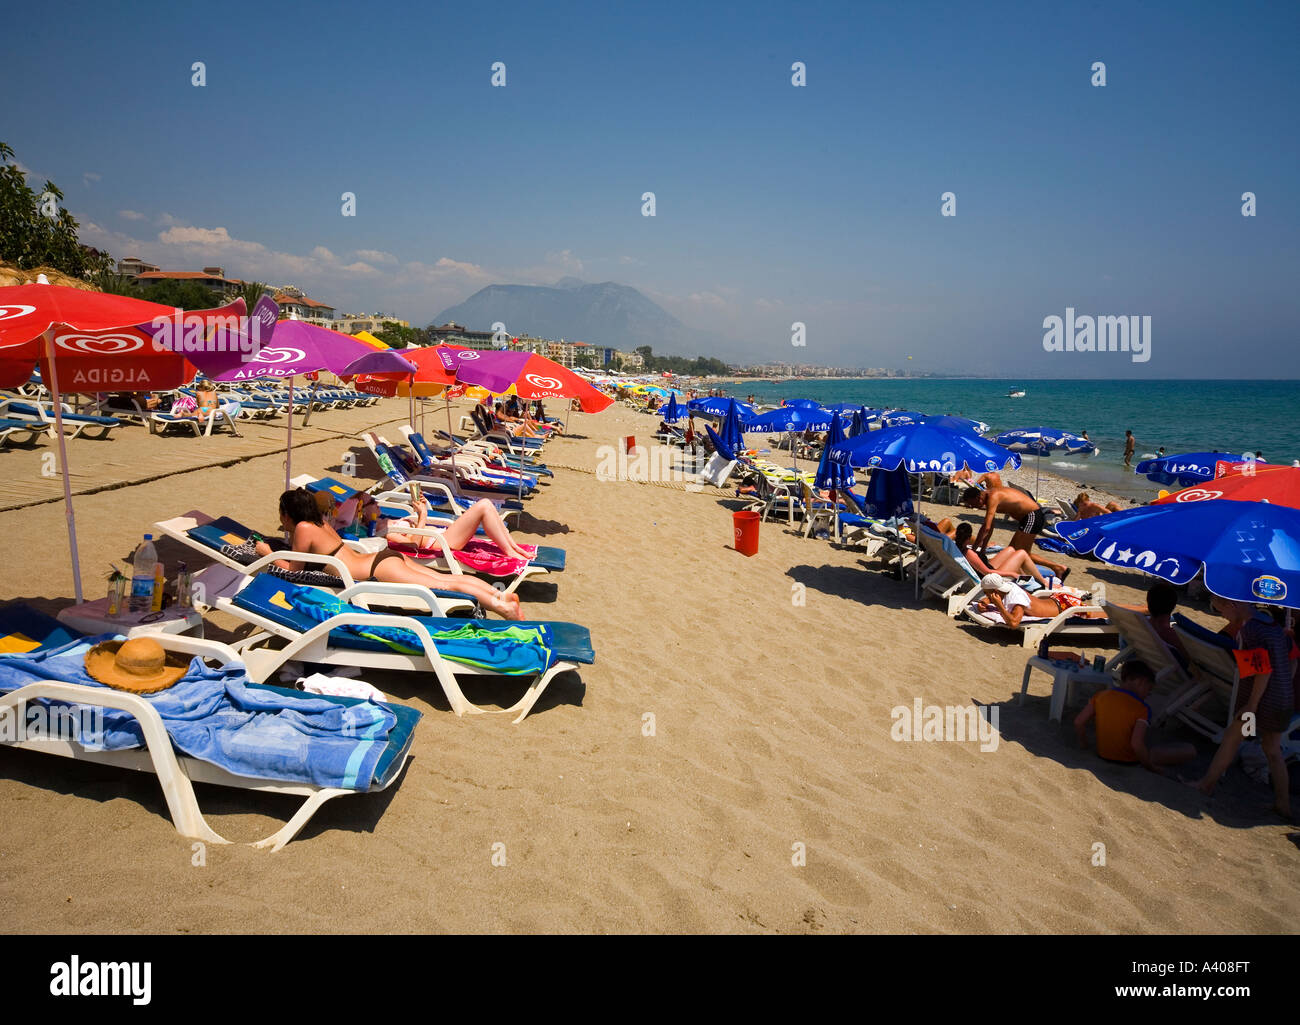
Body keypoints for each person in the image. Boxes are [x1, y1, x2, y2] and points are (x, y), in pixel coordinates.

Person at [260, 489, 523, 619]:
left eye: (281, 514)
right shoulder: (320, 523)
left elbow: (292, 570)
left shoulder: (304, 529)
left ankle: (502, 607)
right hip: (381, 559)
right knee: (447, 580)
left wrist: (266, 553)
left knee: (446, 584)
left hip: (375, 570)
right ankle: (499, 595)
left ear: (288, 513)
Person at [1189, 596, 1294, 820]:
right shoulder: (1271, 624)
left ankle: (1206, 784)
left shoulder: (1250, 631)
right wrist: (1285, 680)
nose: (1223, 617)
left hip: (1262, 701)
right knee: (1272, 750)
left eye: (1222, 611)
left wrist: (1251, 705)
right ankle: (1283, 804)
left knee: (1232, 738)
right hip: (1282, 697)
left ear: (1232, 605)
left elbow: (1262, 670)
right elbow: (1293, 657)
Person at [1074, 660, 1196, 772]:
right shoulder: (1142, 708)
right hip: (1129, 761)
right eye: (1149, 689)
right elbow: (1136, 744)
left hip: (1102, 754)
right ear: (1141, 682)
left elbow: (1079, 722)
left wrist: (1084, 744)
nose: (1148, 694)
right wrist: (1149, 766)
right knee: (1189, 750)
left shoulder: (1100, 696)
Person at [953, 522, 1066, 588]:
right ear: (969, 537)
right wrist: (1012, 573)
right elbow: (987, 572)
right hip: (989, 576)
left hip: (987, 567)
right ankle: (1044, 582)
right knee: (1021, 553)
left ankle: (1027, 580)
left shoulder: (956, 547)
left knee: (1011, 549)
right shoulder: (969, 553)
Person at [973, 573, 1104, 627]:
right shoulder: (1006, 589)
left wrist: (999, 606)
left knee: (1103, 612)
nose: (986, 595)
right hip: (1057, 600)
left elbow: (1013, 623)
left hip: (1065, 606)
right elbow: (995, 597)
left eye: (987, 593)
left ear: (995, 591)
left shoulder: (1016, 598)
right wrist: (985, 601)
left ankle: (1123, 609)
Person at [961, 483, 1046, 555]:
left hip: (1032, 516)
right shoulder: (987, 498)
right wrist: (982, 550)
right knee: (1011, 551)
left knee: (1022, 553)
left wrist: (973, 551)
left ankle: (1057, 567)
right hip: (1026, 519)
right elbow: (989, 527)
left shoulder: (993, 497)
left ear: (978, 498)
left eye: (972, 504)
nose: (972, 507)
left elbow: (986, 528)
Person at [1145, 582, 1189, 667]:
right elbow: (1189, 660)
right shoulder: (1173, 637)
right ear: (1173, 607)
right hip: (1168, 675)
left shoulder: (1140, 625)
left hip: (1145, 665)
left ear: (1148, 602)